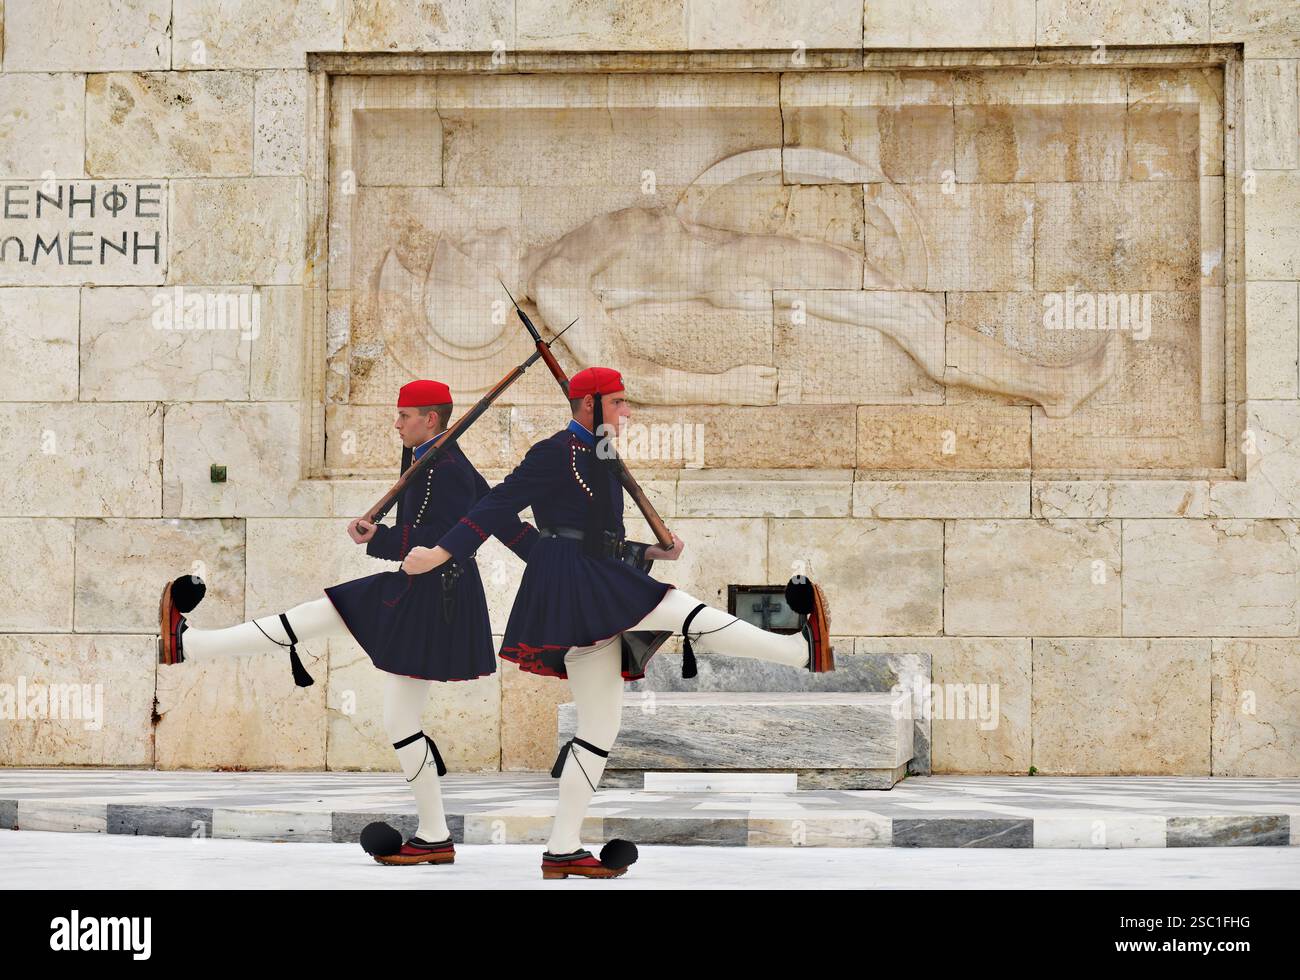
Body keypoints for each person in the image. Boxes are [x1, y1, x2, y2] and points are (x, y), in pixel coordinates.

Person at [400, 366, 833, 879]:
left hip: (595, 573)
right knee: (676, 607)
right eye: (619, 402)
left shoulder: (601, 456)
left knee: (600, 728)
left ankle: (562, 849)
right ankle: (798, 652)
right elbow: (496, 507)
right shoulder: (554, 451)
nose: (628, 412)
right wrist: (439, 553)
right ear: (588, 404)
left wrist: (651, 549)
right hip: (572, 580)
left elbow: (600, 538)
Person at [158, 379, 536, 866]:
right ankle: (435, 835)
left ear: (432, 420)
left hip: (432, 595)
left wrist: (379, 538)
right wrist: (380, 535)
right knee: (397, 716)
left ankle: (188, 645)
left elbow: (452, 534)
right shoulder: (429, 456)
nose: (396, 423)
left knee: (319, 615)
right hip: (429, 594)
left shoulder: (449, 466)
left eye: (405, 415)